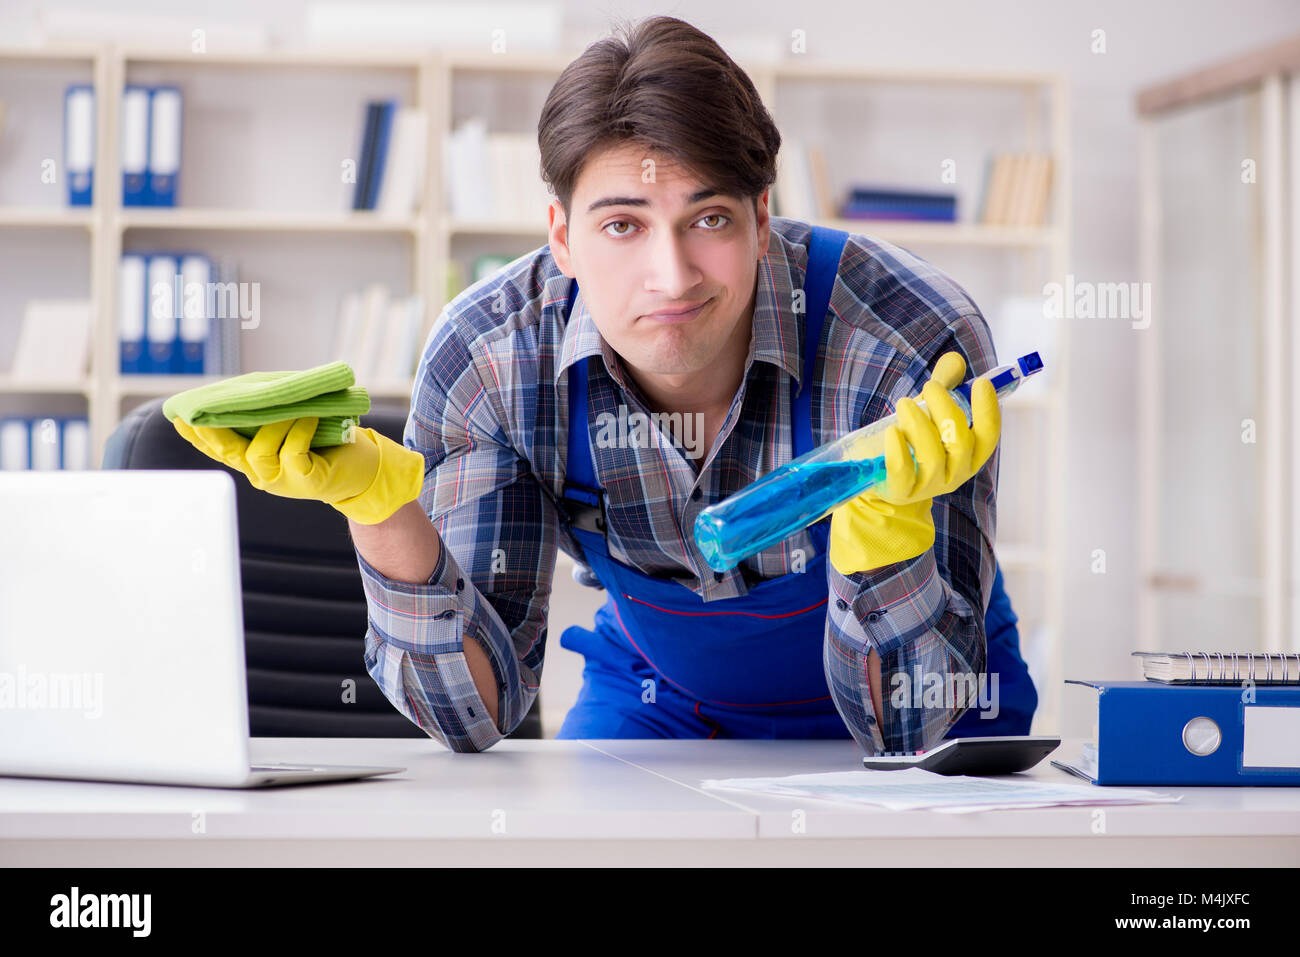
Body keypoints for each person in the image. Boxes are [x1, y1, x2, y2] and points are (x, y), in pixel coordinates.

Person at [174, 15, 1036, 754]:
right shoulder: (492, 358)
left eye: (709, 219)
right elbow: (471, 718)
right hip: (657, 699)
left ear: (762, 217)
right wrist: (379, 509)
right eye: (622, 224)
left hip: (916, 675)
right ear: (560, 234)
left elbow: (915, 729)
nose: (671, 276)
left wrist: (885, 530)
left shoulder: (905, 340)